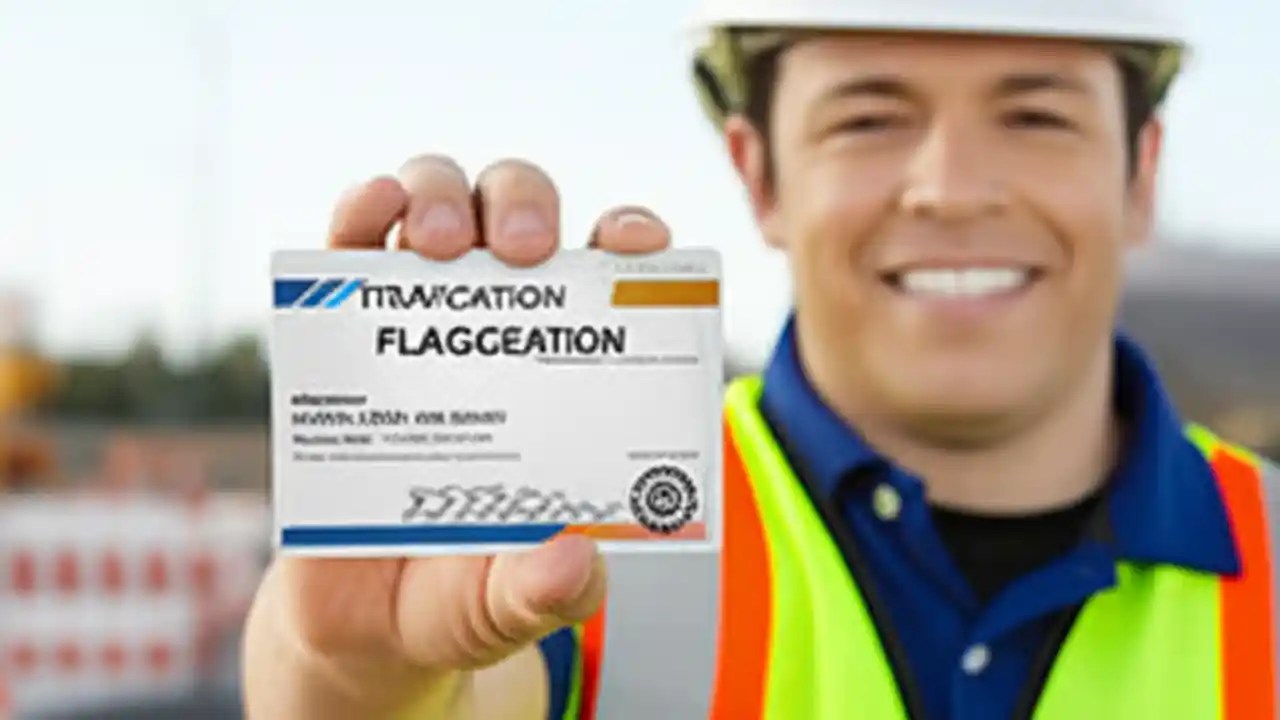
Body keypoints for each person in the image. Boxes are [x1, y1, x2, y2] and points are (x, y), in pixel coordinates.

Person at [242, 1, 1280, 718]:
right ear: (759, 176)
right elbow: (434, 695)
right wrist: (355, 677)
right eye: (870, 116)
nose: (951, 188)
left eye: (1034, 115)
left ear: (1139, 173)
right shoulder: (581, 530)